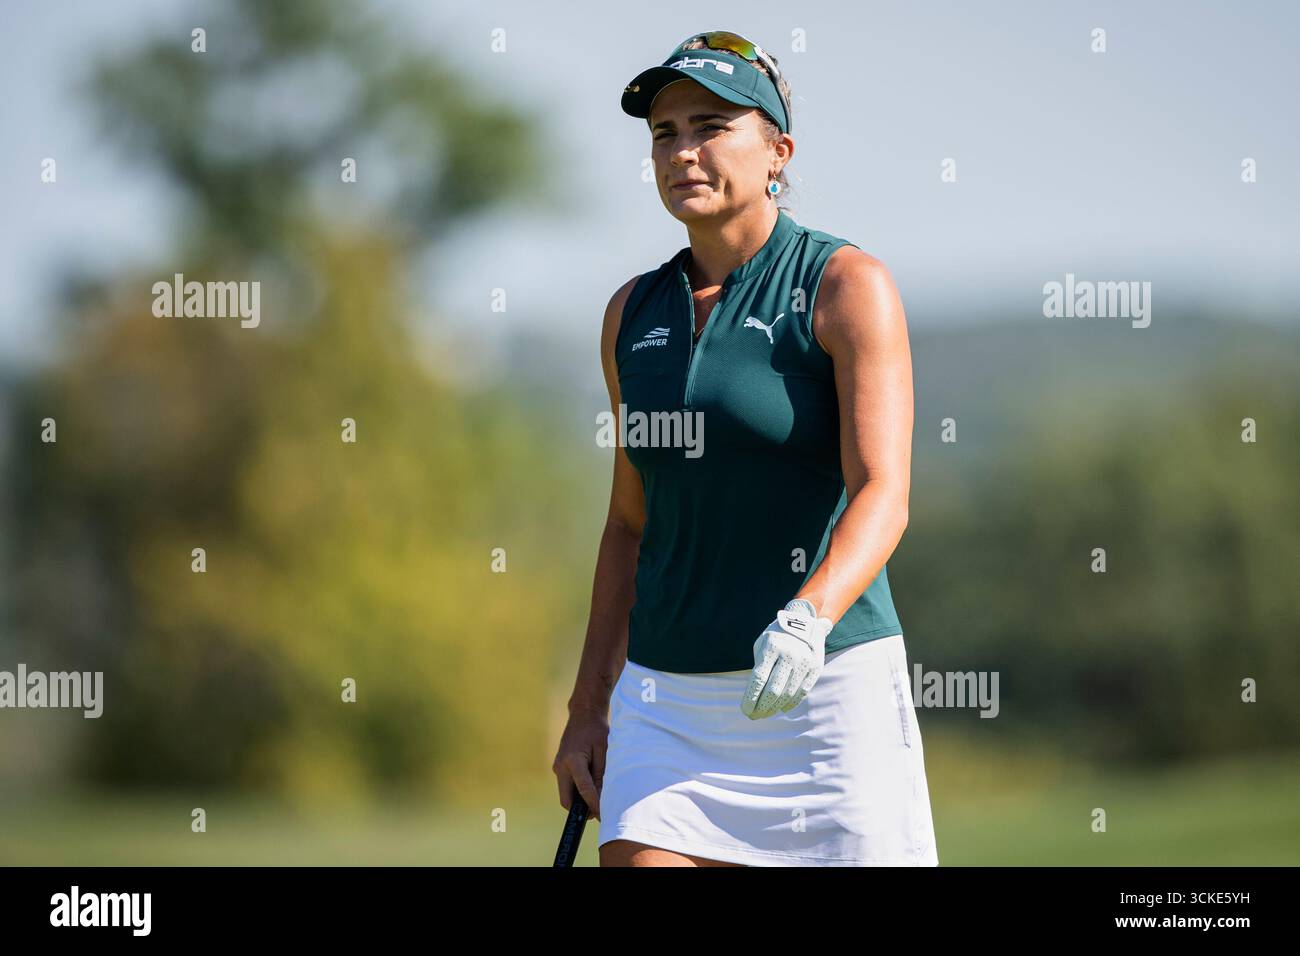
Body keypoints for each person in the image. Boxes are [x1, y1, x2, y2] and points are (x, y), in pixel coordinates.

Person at [553, 30, 938, 867]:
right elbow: (629, 523)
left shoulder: (845, 285)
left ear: (776, 151)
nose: (681, 151)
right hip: (668, 703)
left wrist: (810, 616)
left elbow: (883, 490)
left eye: (709, 125)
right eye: (664, 132)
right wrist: (590, 707)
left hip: (825, 688)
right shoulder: (633, 312)